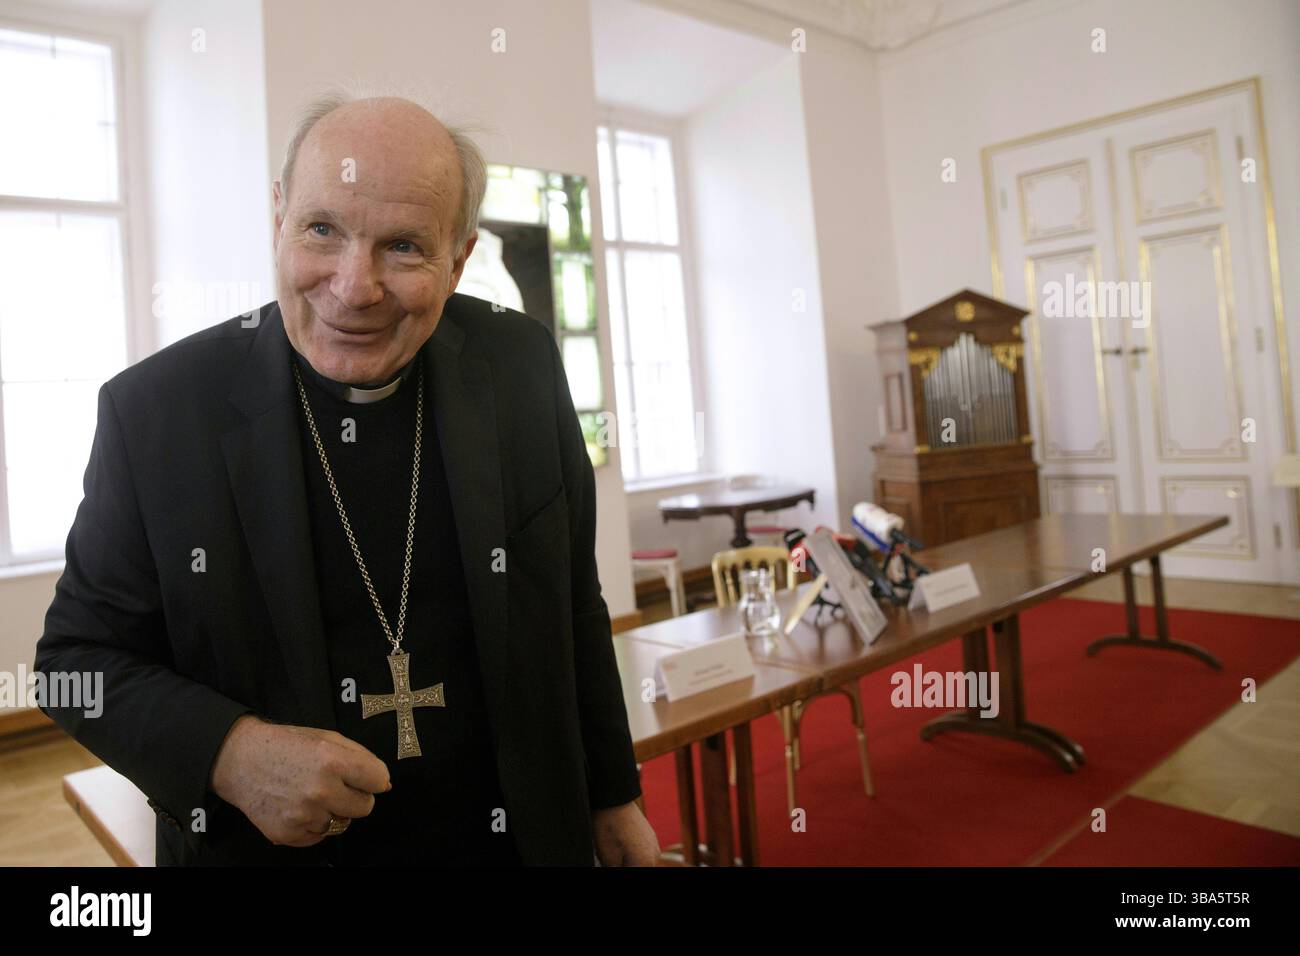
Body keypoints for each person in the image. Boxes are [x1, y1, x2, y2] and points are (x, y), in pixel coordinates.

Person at [34, 91, 659, 866]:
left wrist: (611, 792)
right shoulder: (157, 412)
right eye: (322, 230)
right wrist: (229, 752)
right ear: (278, 220)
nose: (354, 286)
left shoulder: (521, 367)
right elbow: (72, 668)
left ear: (459, 259)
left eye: (403, 246)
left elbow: (571, 601)